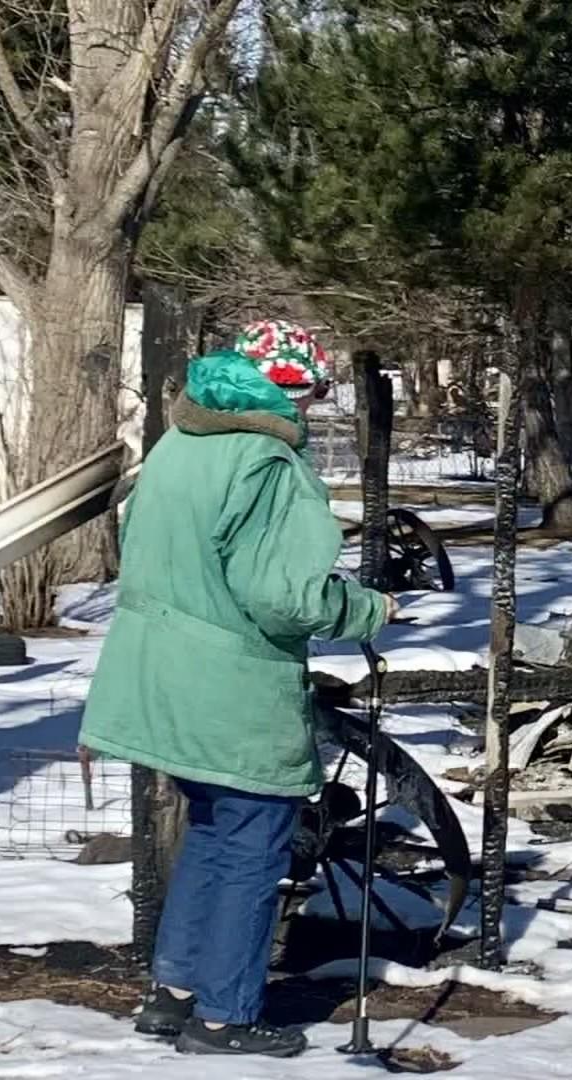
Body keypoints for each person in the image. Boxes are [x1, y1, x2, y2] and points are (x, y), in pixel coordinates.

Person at [80, 319, 398, 1058]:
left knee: (214, 833)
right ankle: (225, 1017)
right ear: (293, 389)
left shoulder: (180, 443)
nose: (314, 410)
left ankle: (174, 992)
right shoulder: (269, 463)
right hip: (231, 681)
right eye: (315, 394)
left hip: (158, 672)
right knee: (253, 845)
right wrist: (368, 608)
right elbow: (285, 598)